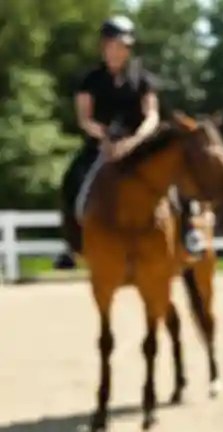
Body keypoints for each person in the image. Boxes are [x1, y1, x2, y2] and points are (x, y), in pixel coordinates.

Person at [56, 16, 204, 270]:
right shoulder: (89, 80)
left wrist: (134, 141)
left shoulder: (143, 78)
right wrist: (106, 139)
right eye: (115, 44)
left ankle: (189, 232)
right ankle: (73, 244)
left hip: (141, 145)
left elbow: (152, 115)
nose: (120, 49)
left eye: (124, 45)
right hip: (102, 145)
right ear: (104, 45)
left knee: (176, 174)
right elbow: (84, 118)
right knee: (71, 179)